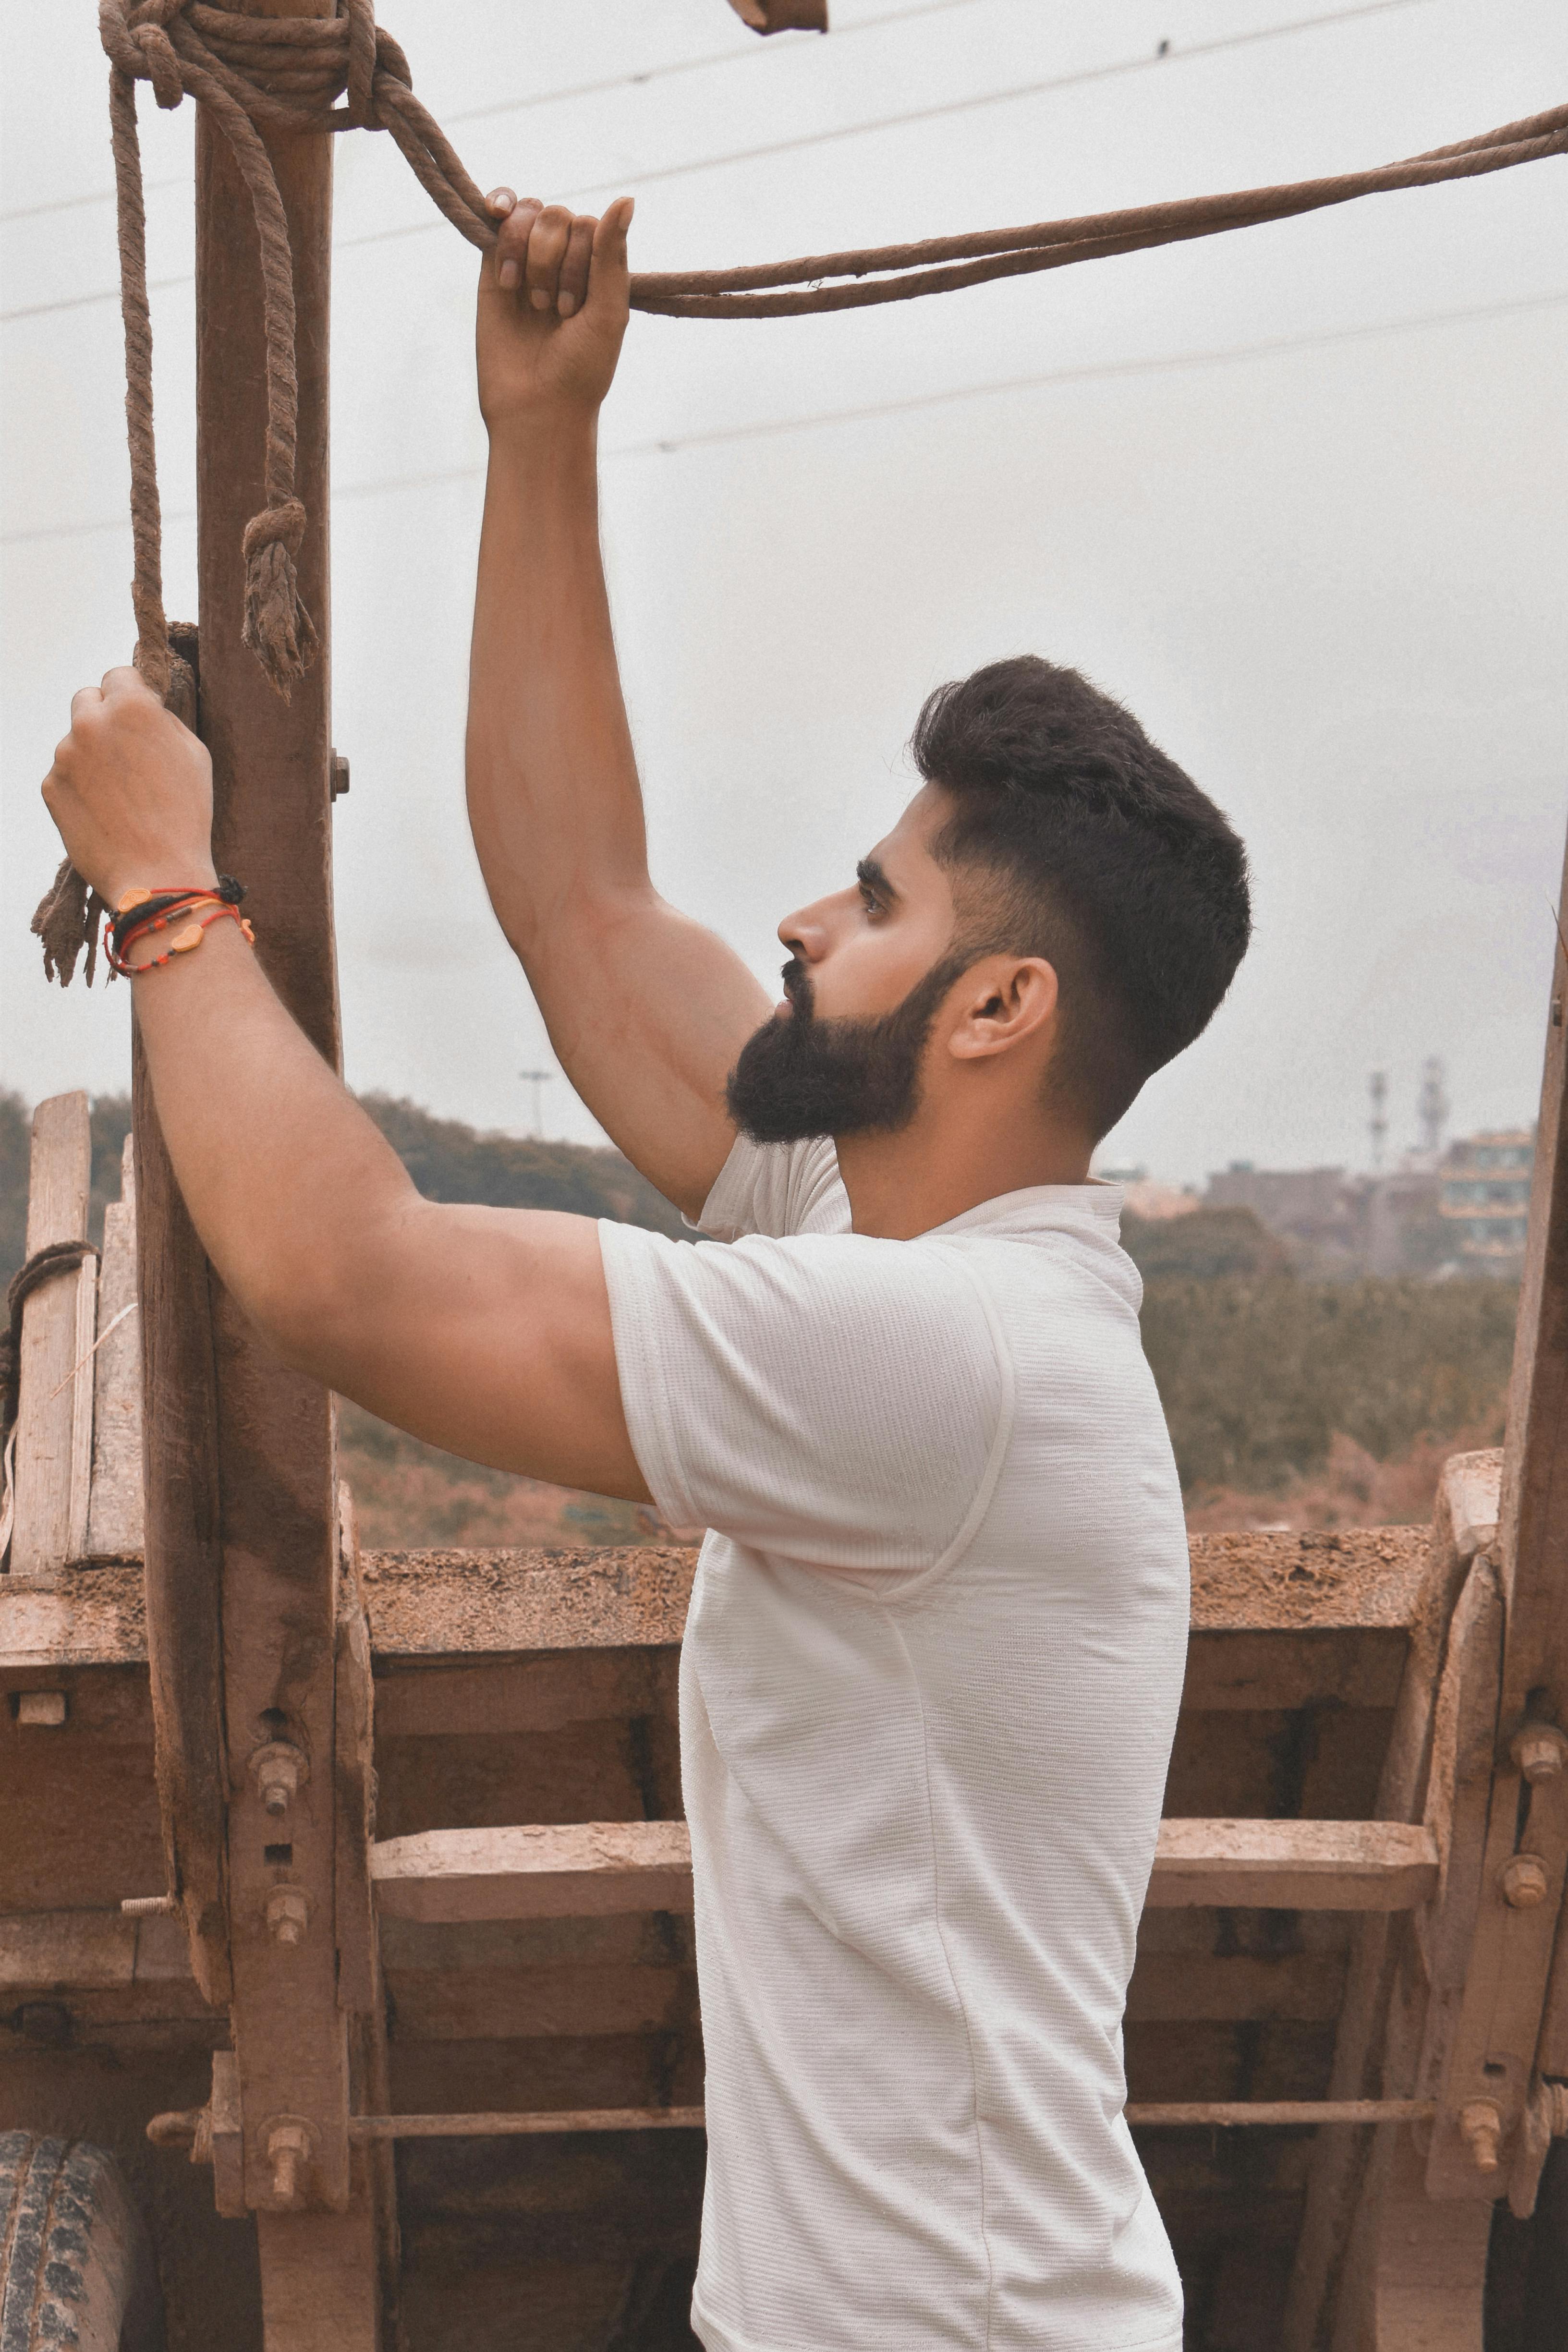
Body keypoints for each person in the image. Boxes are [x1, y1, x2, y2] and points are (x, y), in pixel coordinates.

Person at [43, 192, 1250, 2352]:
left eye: (871, 900)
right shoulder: (885, 1228)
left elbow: (350, 1271)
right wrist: (541, 431)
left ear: (995, 1011)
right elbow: (588, 912)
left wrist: (163, 887)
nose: (800, 917)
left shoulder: (943, 1358)